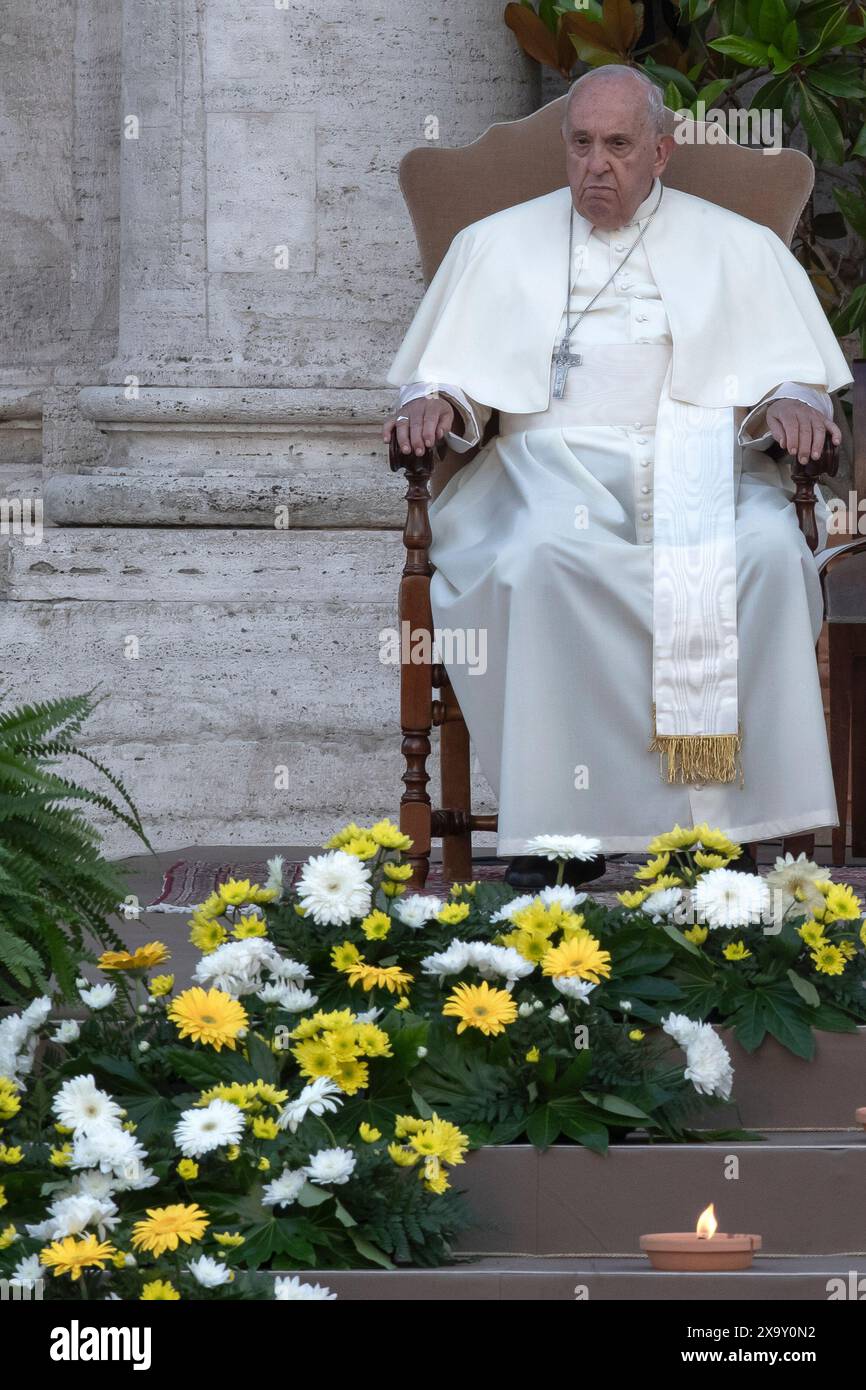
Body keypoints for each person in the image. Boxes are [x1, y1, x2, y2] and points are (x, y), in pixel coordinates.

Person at [384, 66, 851, 890]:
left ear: (662, 153)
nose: (596, 165)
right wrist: (435, 403)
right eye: (582, 144)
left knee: (767, 553)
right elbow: (448, 378)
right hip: (542, 467)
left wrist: (791, 400)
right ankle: (558, 831)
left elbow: (791, 374)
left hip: (708, 463)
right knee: (537, 560)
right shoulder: (494, 244)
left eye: (619, 146)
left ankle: (728, 829)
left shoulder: (734, 246)